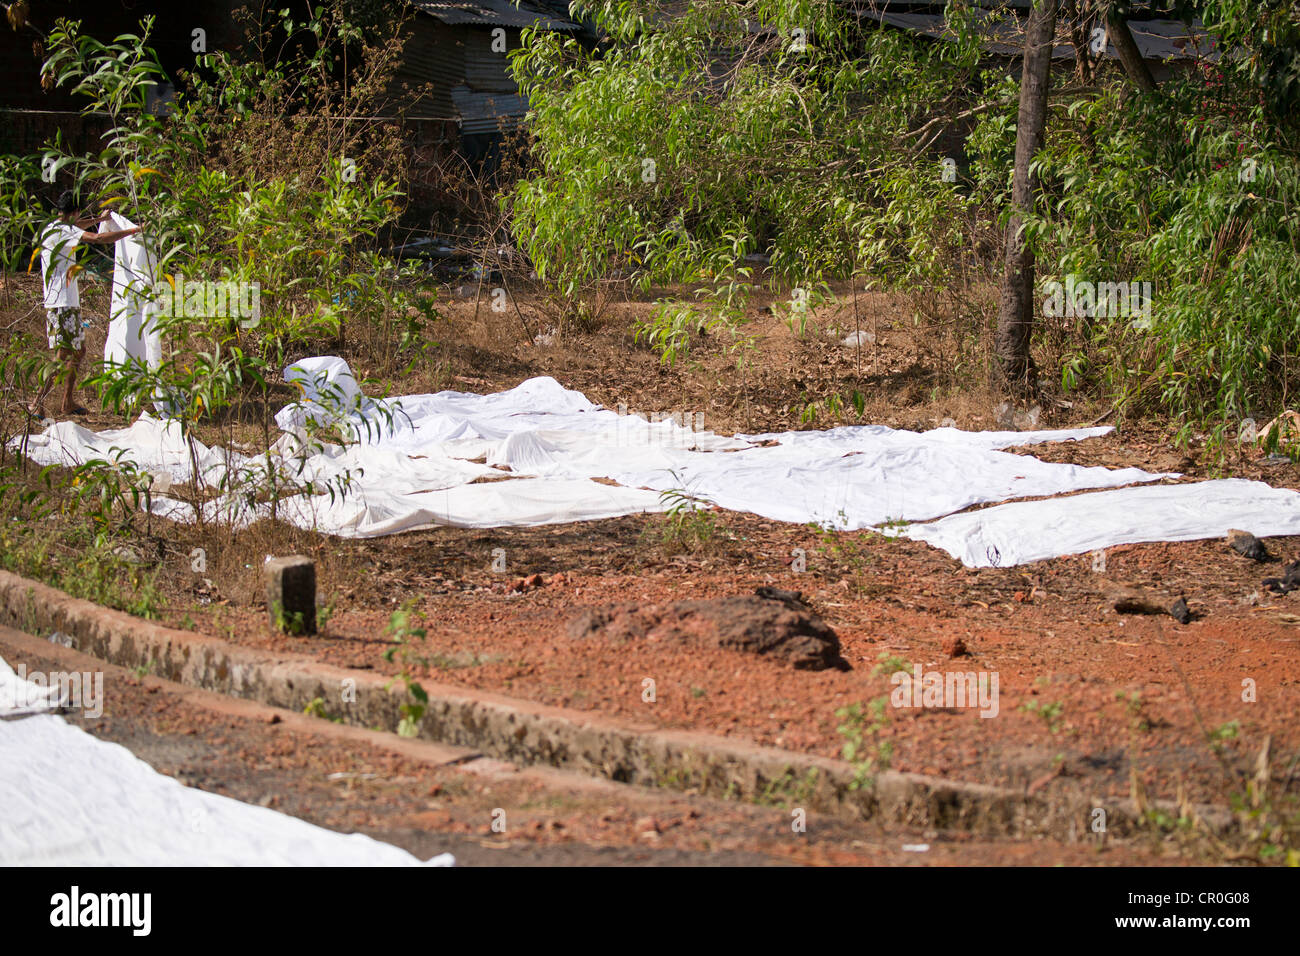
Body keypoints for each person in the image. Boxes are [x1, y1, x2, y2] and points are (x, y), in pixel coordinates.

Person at [32, 190, 142, 418]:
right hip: (61, 303)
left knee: (78, 351)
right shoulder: (63, 230)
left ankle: (67, 402)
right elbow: (98, 239)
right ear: (73, 212)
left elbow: (78, 224)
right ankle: (37, 402)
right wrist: (134, 230)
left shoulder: (54, 226)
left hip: (64, 302)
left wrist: (100, 220)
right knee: (62, 356)